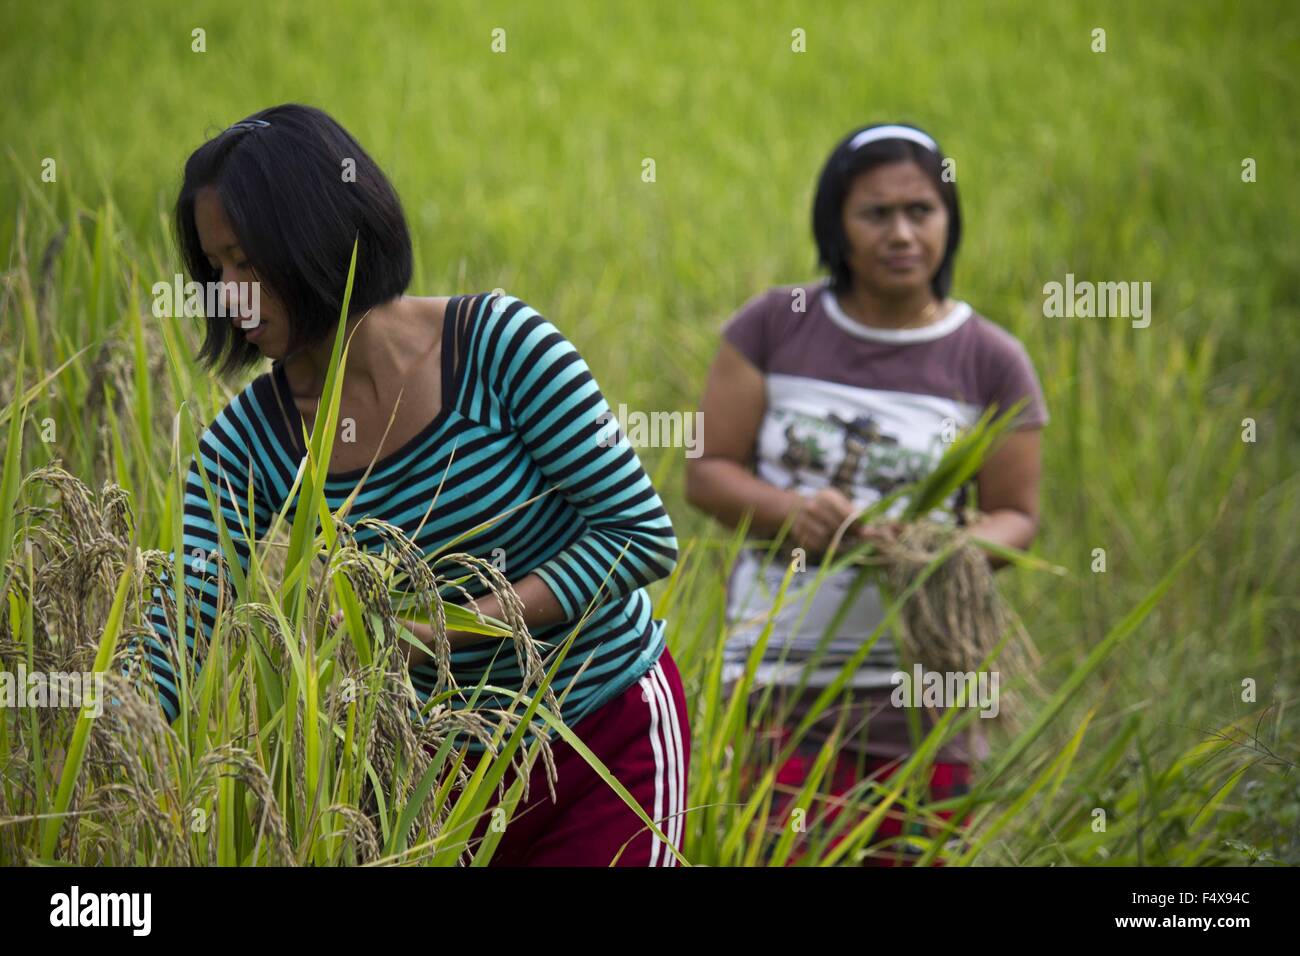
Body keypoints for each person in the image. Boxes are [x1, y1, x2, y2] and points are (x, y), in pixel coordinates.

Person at [127, 103, 689, 866]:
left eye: (249, 262)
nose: (231, 294)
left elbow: (640, 537)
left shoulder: (498, 348)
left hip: (600, 738)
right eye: (214, 268)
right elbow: (183, 627)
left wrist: (449, 628)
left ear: (320, 234)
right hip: (427, 787)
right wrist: (98, 730)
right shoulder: (247, 446)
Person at [685, 122, 1048, 865]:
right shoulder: (772, 328)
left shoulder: (991, 360)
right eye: (875, 213)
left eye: (922, 210)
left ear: (950, 220)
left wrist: (942, 550)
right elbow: (708, 470)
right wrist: (793, 514)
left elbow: (1018, 518)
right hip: (776, 680)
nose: (902, 233)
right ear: (835, 224)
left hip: (925, 690)